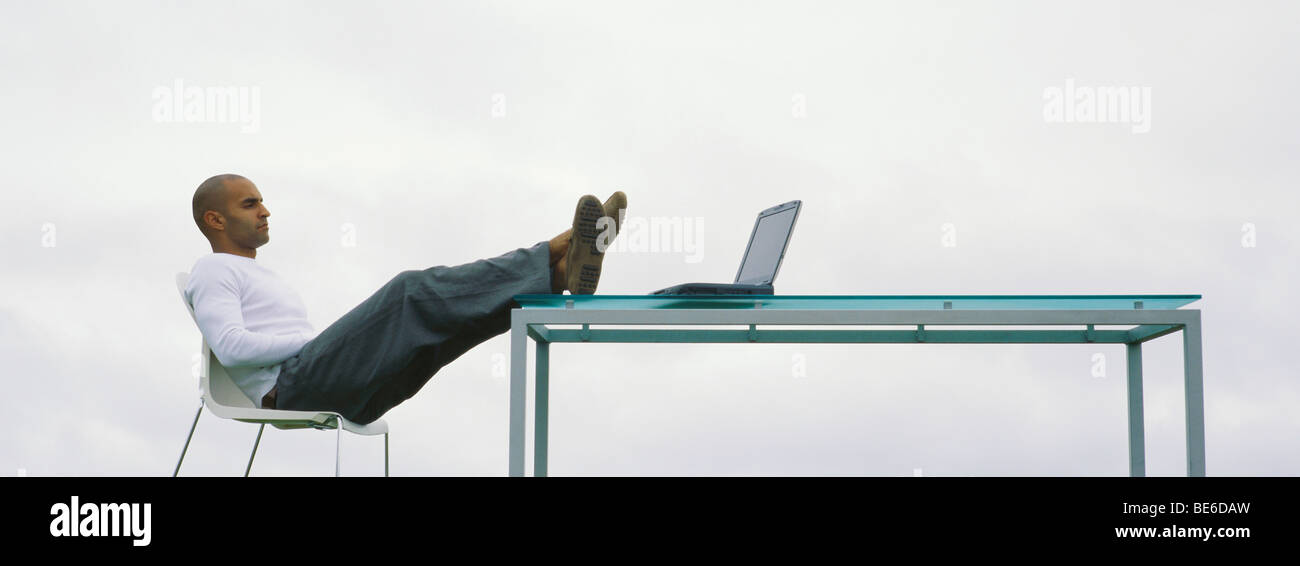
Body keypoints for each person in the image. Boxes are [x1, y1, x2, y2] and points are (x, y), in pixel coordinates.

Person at [183, 173, 627, 425]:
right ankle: (559, 248)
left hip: (330, 391)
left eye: (262, 201)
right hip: (295, 389)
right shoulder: (212, 270)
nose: (265, 211)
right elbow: (232, 349)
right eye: (249, 204)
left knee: (445, 327)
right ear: (215, 218)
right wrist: (309, 341)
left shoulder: (255, 273)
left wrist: (312, 344)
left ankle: (559, 272)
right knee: (410, 292)